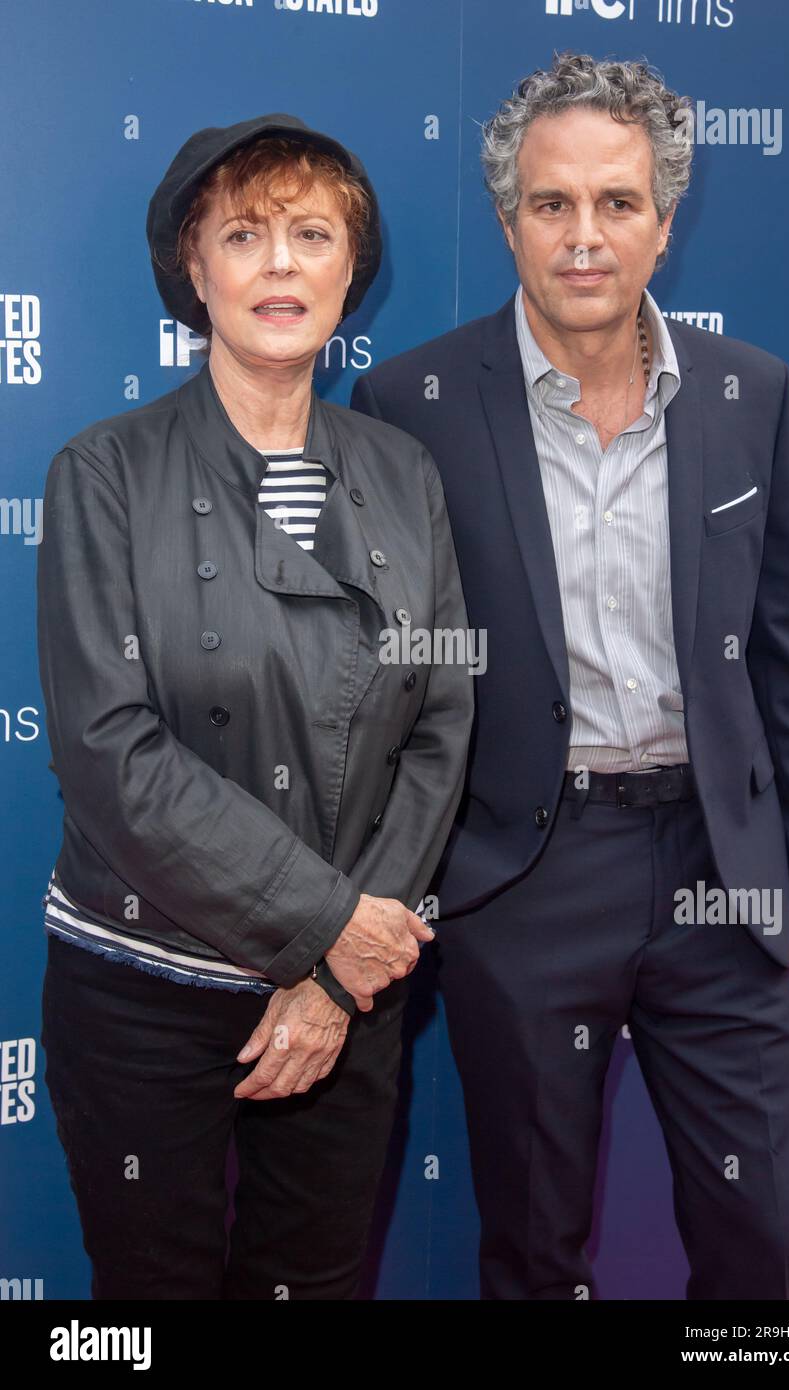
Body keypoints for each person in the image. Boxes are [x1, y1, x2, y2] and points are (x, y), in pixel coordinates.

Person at [351, 54, 789, 1300]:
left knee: (756, 1254)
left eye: (616, 203)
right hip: (522, 874)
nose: (584, 238)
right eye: (550, 205)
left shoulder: (750, 392)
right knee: (532, 1250)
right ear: (507, 218)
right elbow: (381, 686)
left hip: (720, 865)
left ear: (663, 221)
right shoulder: (408, 403)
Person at [37, 112, 474, 1300]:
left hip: (350, 1001)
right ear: (196, 269)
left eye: (310, 233)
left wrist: (336, 980)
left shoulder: (402, 475)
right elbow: (108, 750)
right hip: (145, 992)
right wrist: (331, 930)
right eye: (244, 234)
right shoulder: (104, 472)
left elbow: (439, 718)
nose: (280, 263)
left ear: (350, 269)